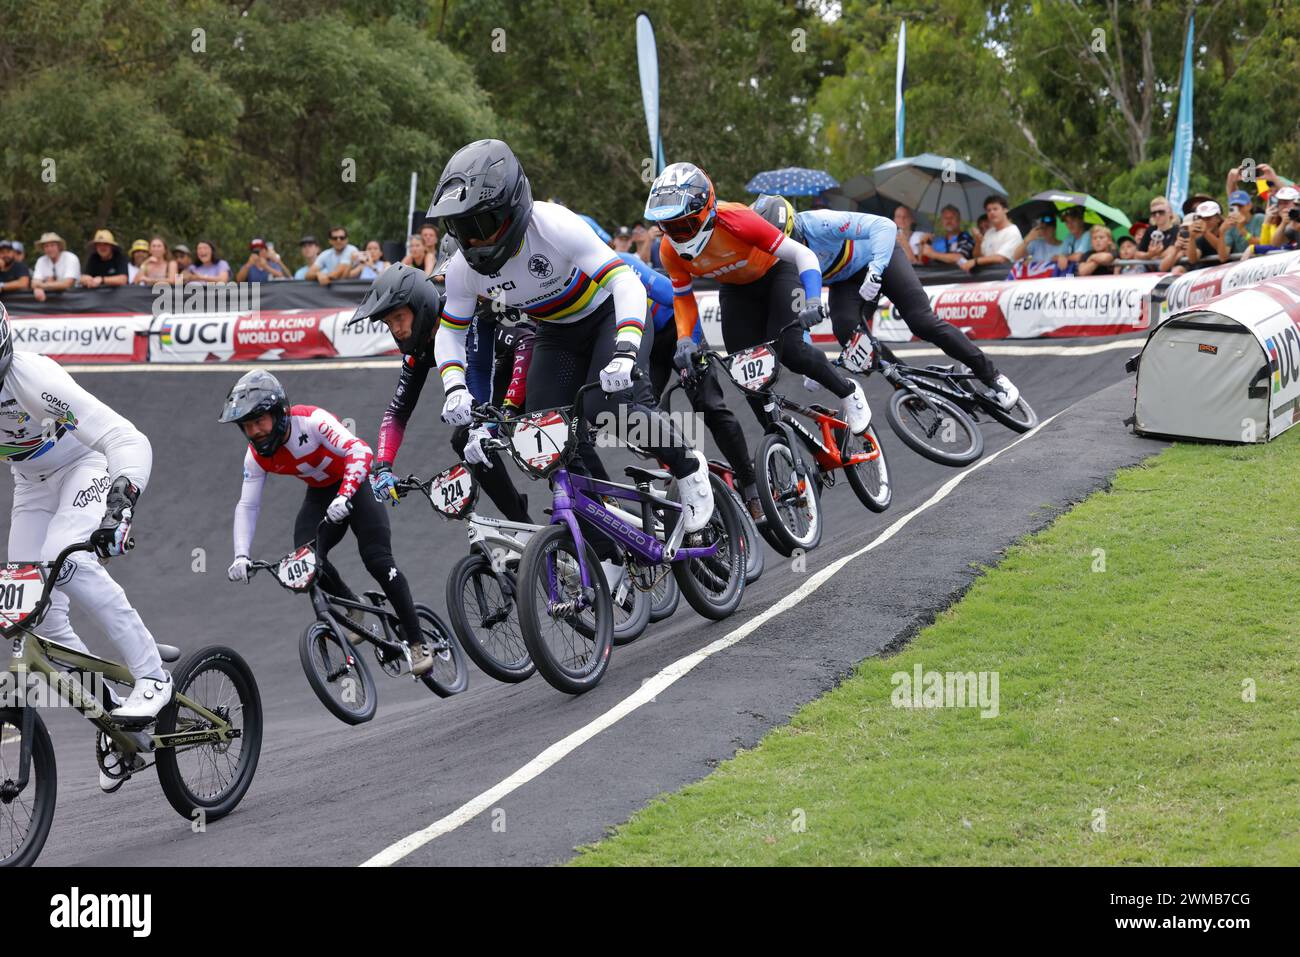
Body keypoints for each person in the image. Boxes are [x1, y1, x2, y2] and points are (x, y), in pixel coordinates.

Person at [428, 139, 715, 531]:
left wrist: (626, 350)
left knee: (607, 408)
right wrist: (454, 388)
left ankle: (688, 464)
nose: (473, 240)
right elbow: (450, 332)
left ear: (512, 208)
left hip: (610, 314)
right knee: (541, 436)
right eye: (461, 228)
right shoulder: (464, 267)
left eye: (481, 224)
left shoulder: (552, 224)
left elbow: (625, 282)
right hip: (556, 332)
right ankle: (604, 539)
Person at [0, 303, 171, 790]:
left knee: (65, 561)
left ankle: (152, 675)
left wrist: (121, 506)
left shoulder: (29, 377)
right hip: (31, 485)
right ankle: (113, 718)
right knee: (33, 610)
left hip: (85, 467)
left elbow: (125, 436)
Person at [219, 370, 436, 677]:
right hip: (321, 494)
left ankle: (417, 642)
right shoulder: (255, 456)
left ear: (279, 412)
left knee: (377, 560)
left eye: (260, 421)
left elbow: (360, 451)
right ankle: (353, 604)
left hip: (356, 485)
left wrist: (346, 493)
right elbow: (248, 504)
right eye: (248, 426)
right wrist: (241, 553)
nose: (255, 431)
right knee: (305, 561)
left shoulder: (311, 421)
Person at [645, 164, 872, 455]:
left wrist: (814, 299)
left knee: (791, 350)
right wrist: (685, 339)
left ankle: (849, 393)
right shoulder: (669, 249)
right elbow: (682, 297)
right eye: (668, 227)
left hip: (777, 273)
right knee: (743, 372)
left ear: (707, 211)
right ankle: (778, 446)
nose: (677, 235)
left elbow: (802, 253)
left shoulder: (737, 219)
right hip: (735, 289)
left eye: (684, 225)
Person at [752, 195, 1020, 410]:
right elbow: (799, 311)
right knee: (847, 332)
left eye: (790, 239)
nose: (789, 248)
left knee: (921, 322)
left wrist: (877, 269)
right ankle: (904, 382)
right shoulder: (779, 257)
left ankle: (993, 376)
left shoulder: (820, 222)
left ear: (793, 226)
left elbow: (884, 226)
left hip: (882, 259)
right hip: (847, 280)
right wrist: (808, 361)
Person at [349, 261, 532, 524]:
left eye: (399, 318)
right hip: (493, 385)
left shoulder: (465, 310)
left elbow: (526, 340)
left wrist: (509, 408)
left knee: (536, 417)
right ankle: (522, 522)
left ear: (420, 307)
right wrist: (383, 467)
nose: (396, 329)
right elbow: (398, 411)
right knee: (464, 439)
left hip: (525, 367)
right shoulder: (419, 349)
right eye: (389, 324)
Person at [619, 250, 762, 519]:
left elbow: (678, 298)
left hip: (677, 328)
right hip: (644, 348)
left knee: (709, 404)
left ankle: (750, 483)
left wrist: (691, 345)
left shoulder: (621, 264)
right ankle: (685, 464)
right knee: (639, 419)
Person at [30, 232, 81, 302]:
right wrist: (37, 289)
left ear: (59, 246)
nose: (49, 249)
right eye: (46, 246)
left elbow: (67, 284)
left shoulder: (71, 258)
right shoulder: (41, 260)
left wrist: (42, 285)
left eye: (52, 245)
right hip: (49, 303)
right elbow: (34, 283)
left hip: (73, 301)